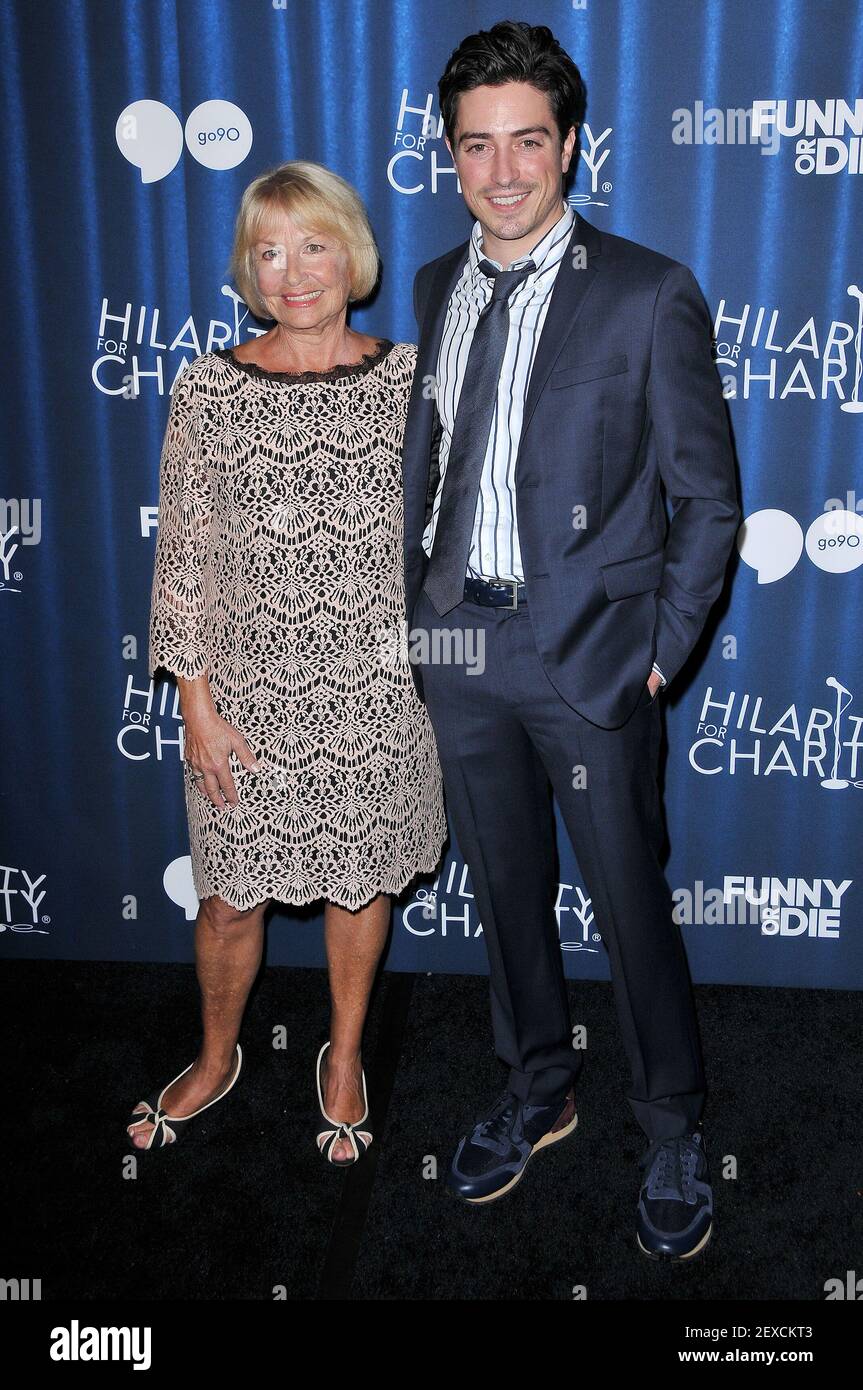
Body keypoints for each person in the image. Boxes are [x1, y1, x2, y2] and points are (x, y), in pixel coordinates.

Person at [403, 21, 739, 1258]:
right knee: (501, 893)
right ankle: (537, 1088)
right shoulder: (436, 288)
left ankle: (668, 1124)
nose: (500, 172)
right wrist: (412, 615)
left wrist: (656, 652)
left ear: (568, 146)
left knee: (625, 904)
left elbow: (706, 497)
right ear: (448, 156)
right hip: (456, 644)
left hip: (591, 655)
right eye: (475, 146)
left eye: (524, 143)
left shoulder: (647, 291)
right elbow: (427, 466)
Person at [128, 160, 446, 1164]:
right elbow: (183, 549)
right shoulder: (210, 386)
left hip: (378, 695)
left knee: (361, 887)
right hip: (246, 699)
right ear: (247, 269)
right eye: (268, 251)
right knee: (227, 899)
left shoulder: (411, 381)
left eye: (312, 244)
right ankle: (218, 1050)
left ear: (351, 254)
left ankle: (343, 1053)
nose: (293, 271)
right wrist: (196, 701)